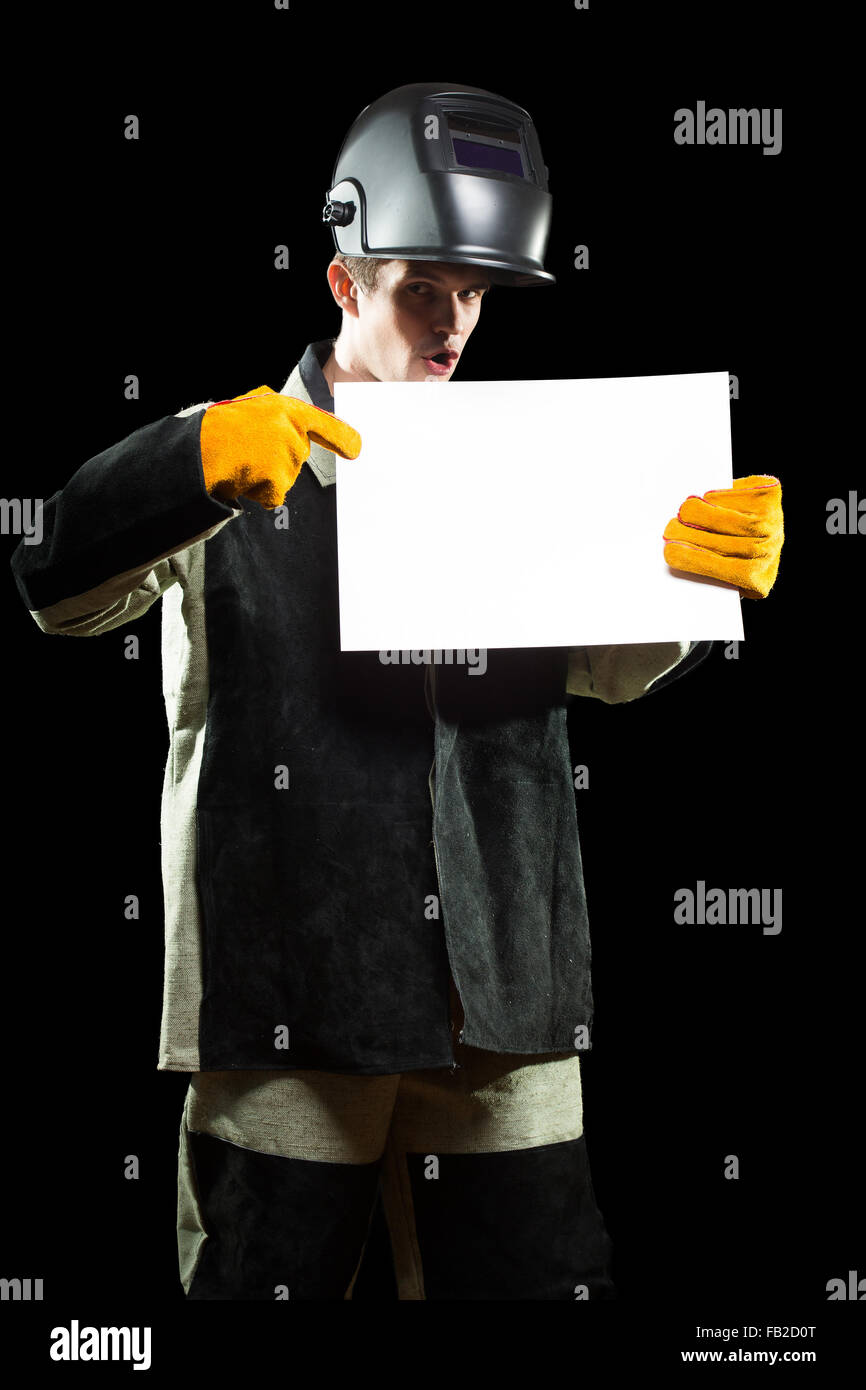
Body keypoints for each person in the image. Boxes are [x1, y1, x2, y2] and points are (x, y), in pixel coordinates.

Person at [9, 82, 783, 1301]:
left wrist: (692, 588)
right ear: (342, 282)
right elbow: (56, 583)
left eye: (473, 294)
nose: (454, 324)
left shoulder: (530, 469)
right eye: (424, 285)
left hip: (505, 1012)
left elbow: (606, 674)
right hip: (284, 1007)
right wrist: (188, 464)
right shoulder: (229, 447)